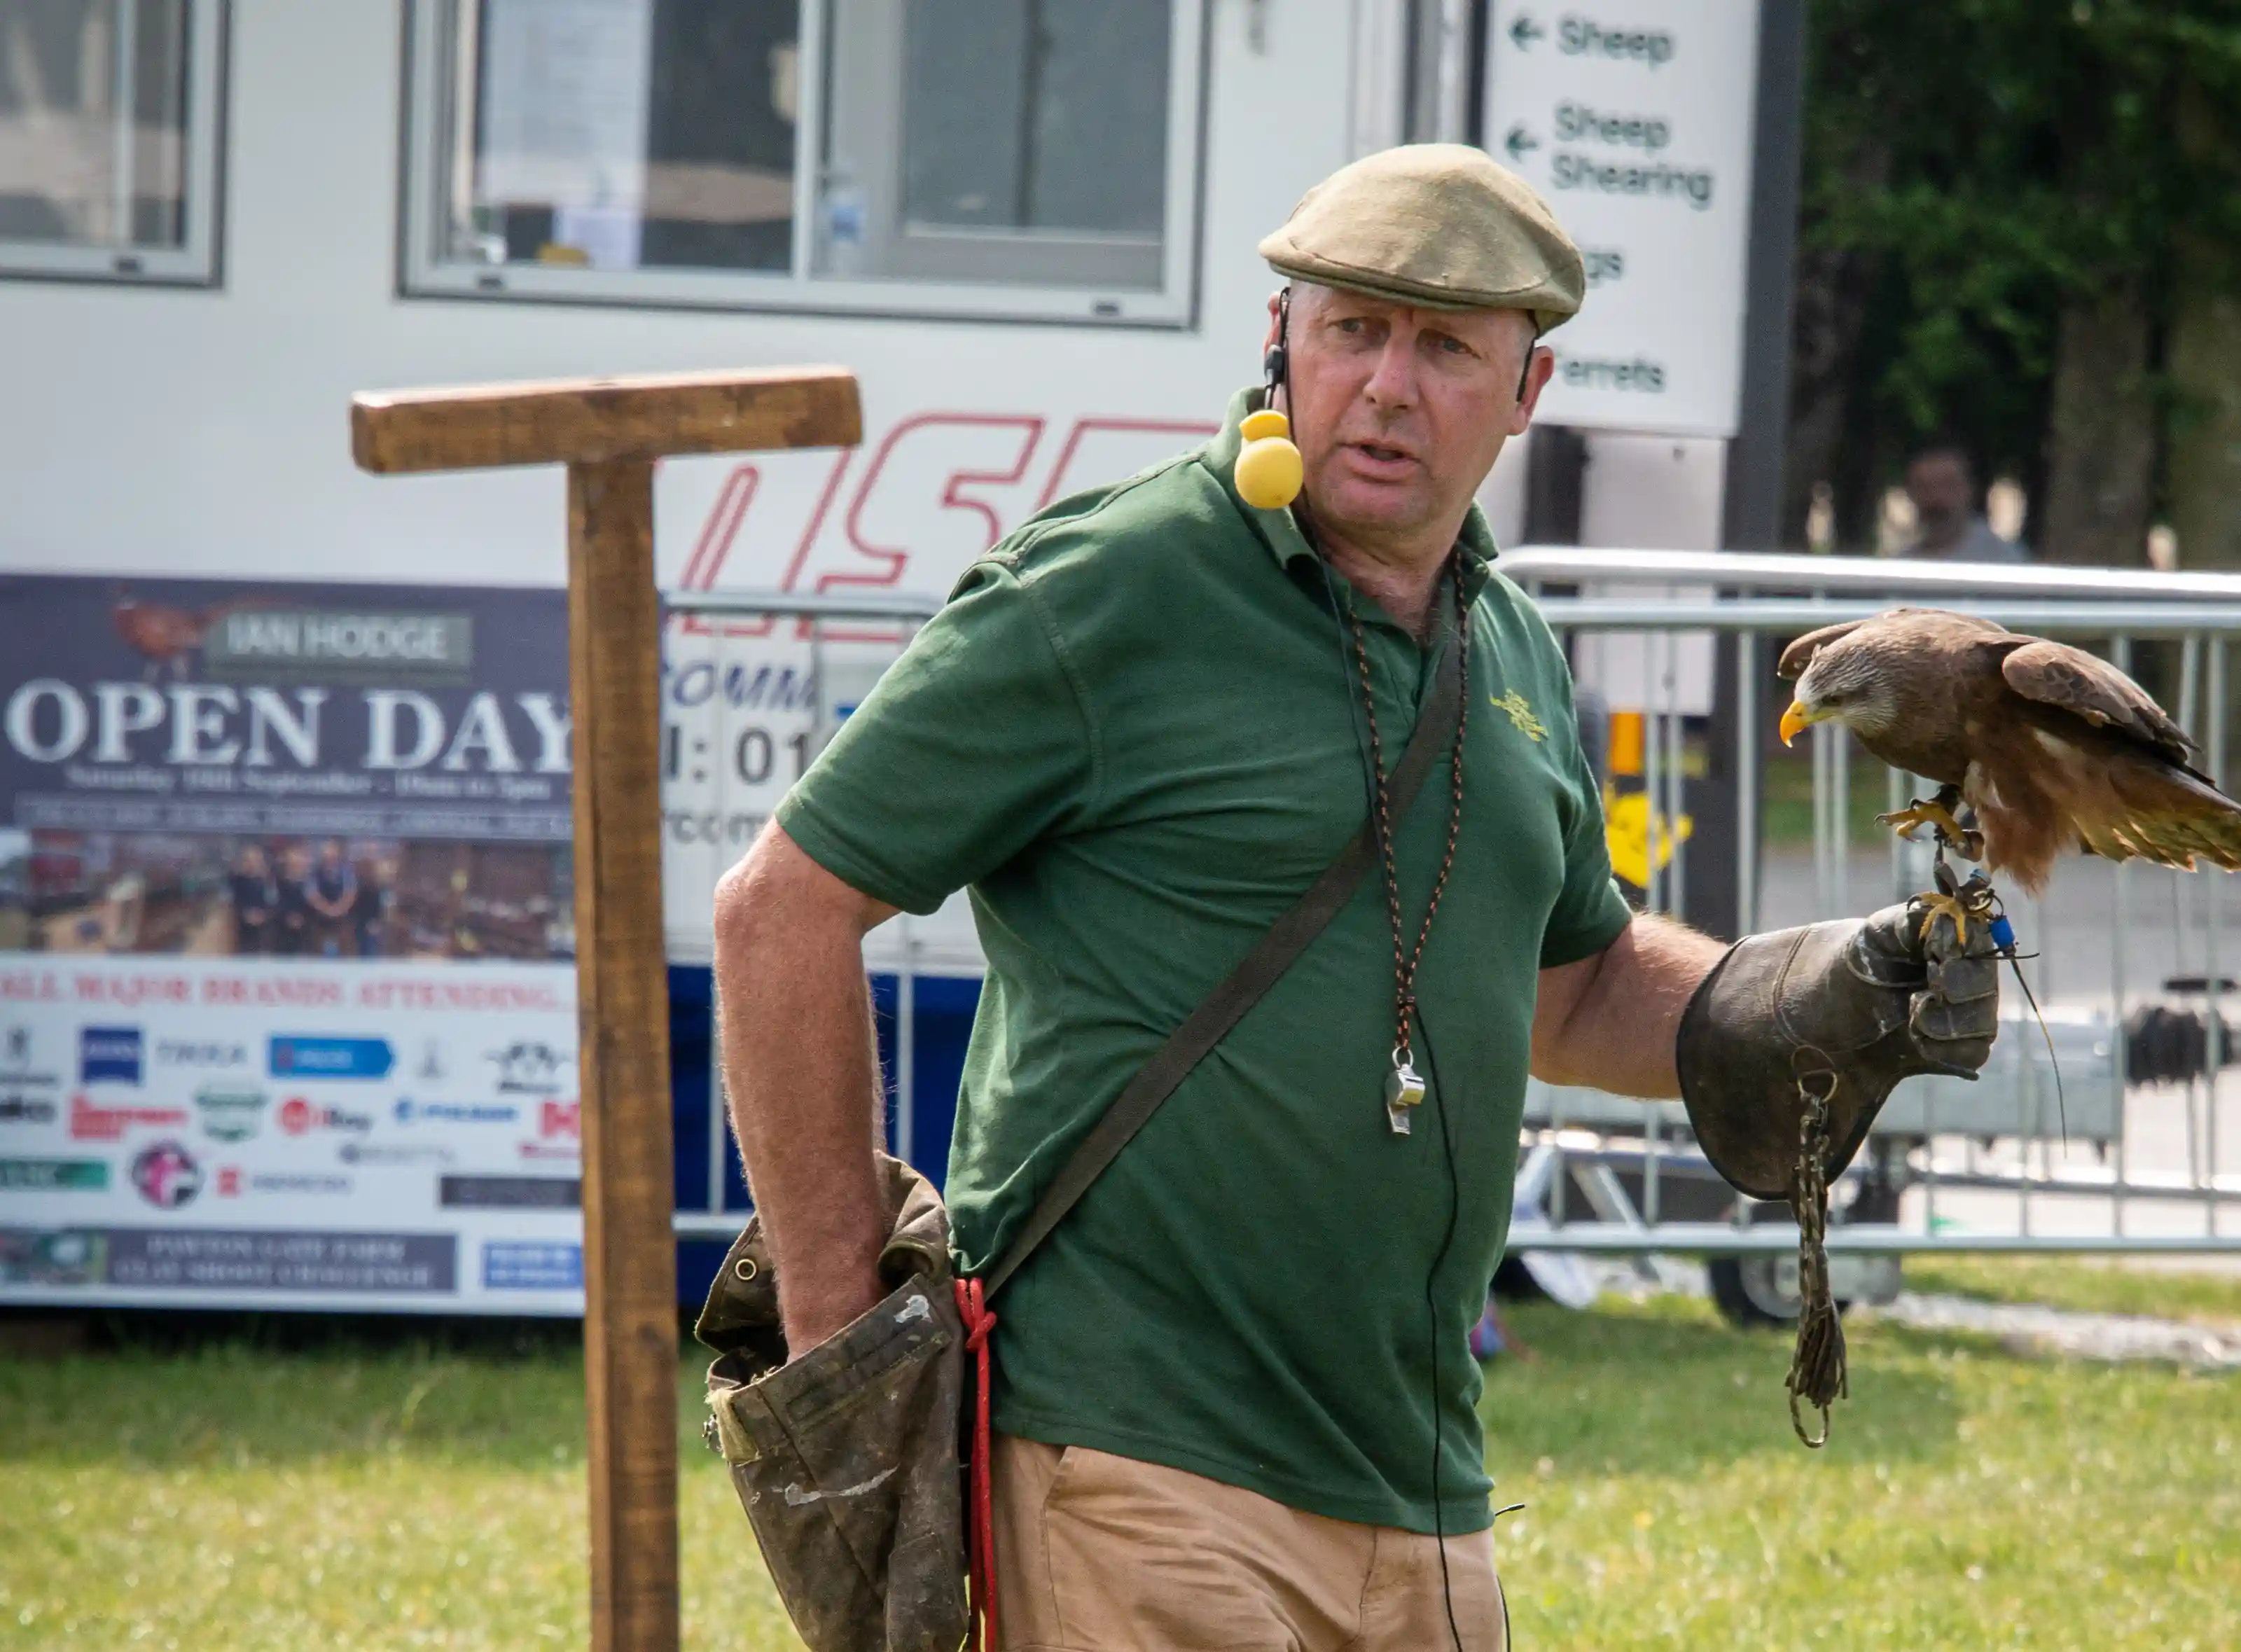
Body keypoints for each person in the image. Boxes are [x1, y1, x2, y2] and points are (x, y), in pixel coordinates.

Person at [713, 145, 1998, 1651]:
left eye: (1445, 346)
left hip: (1421, 1497)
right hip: (1126, 1464)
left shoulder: (1503, 642)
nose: (1386, 385)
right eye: (1350, 330)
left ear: (1526, 390)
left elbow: (1571, 989)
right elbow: (777, 912)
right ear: (1283, 339)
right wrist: (837, 1356)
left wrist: (1819, 989)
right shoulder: (1109, 587)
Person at [1903, 439, 2029, 562]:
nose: (1936, 498)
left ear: (1970, 489)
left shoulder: (2004, 562)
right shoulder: (1901, 567)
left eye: (1948, 485)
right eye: (1924, 487)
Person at [304, 838, 356, 957]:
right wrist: (327, 910)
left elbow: (350, 894)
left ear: (337, 855)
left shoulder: (346, 872)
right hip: (319, 918)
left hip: (342, 917)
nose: (329, 859)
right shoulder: (314, 873)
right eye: (326, 856)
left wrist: (338, 910)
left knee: (347, 945)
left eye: (332, 855)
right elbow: (312, 895)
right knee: (316, 946)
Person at [226, 844, 281, 955]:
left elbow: (274, 903)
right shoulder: (236, 881)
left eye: (255, 860)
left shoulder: (269, 881)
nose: (252, 863)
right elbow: (231, 903)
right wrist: (245, 914)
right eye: (248, 860)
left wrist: (264, 915)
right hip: (241, 929)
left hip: (265, 929)